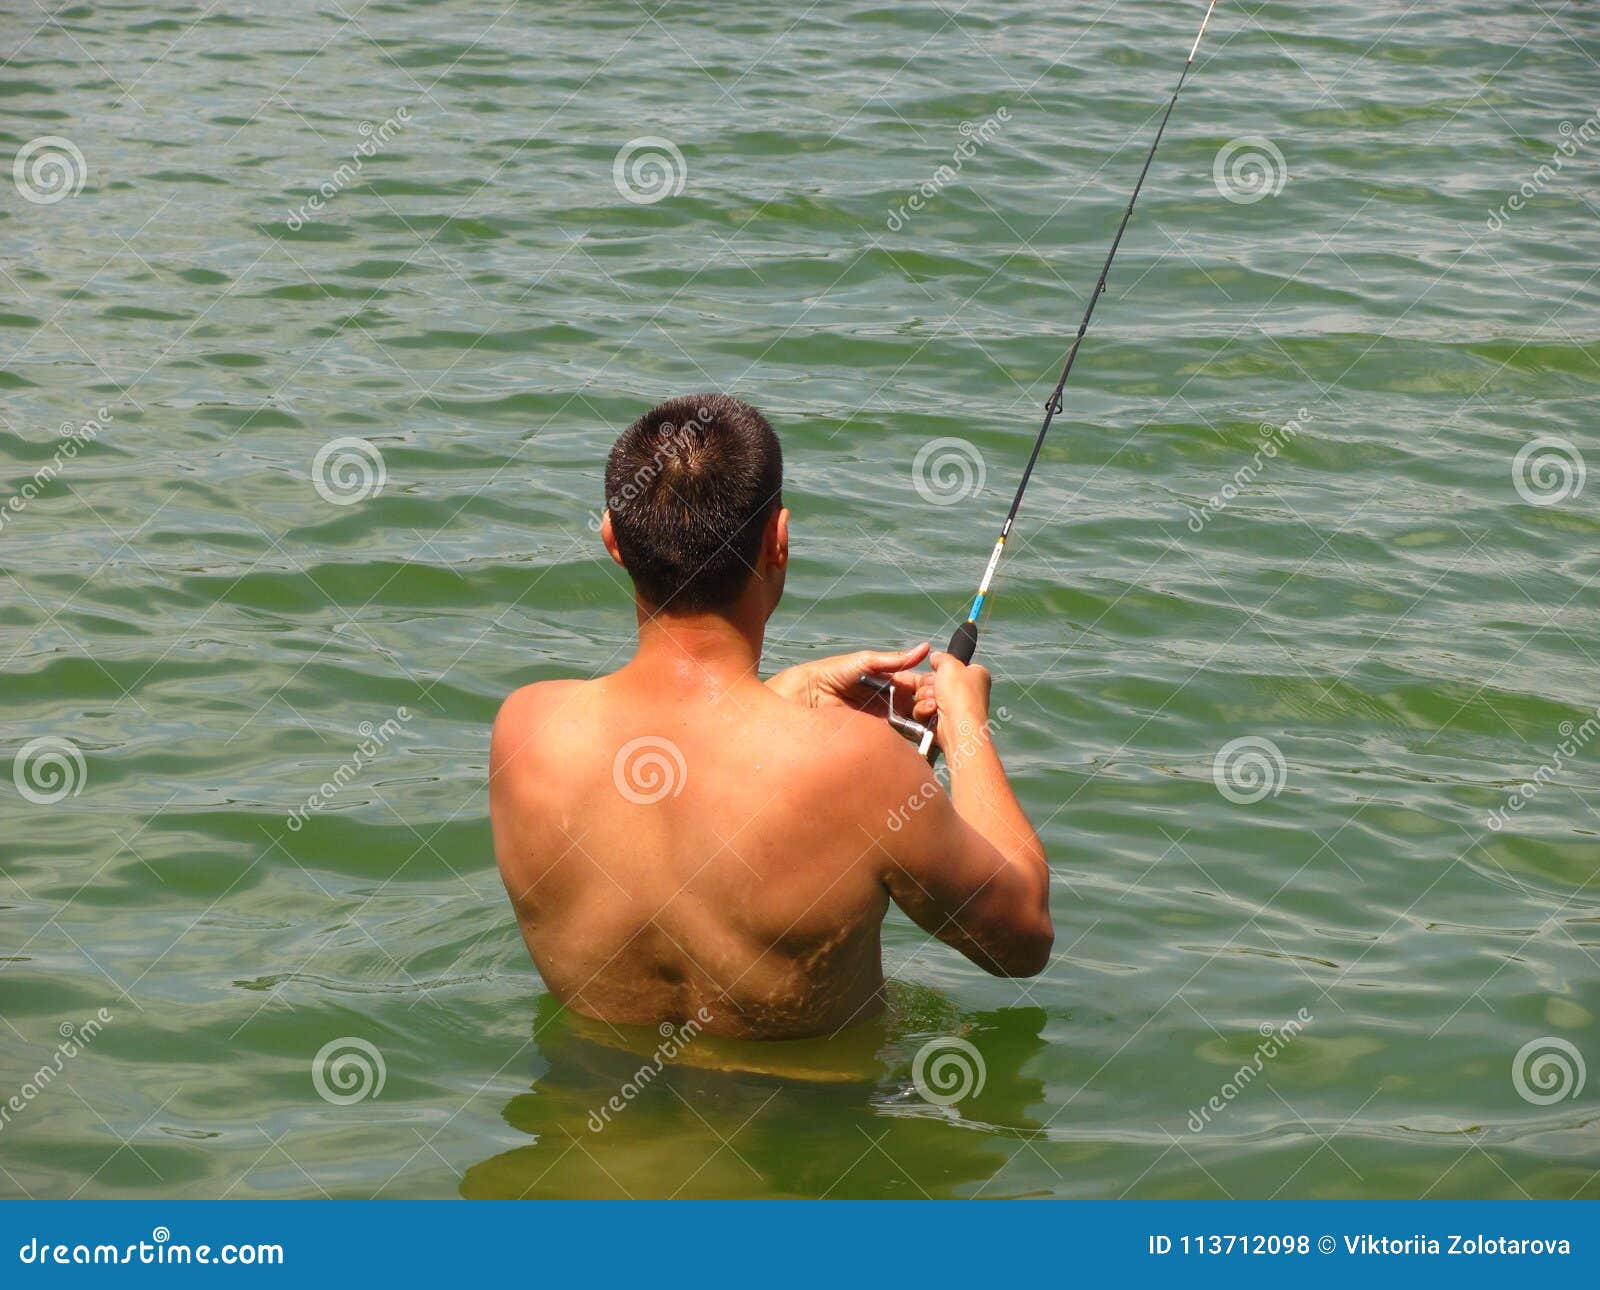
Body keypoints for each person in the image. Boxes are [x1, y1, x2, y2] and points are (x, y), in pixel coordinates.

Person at [489, 394, 1051, 1040]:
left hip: (590, 1101)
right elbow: (1024, 938)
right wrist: (965, 723)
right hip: (817, 1107)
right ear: (778, 542)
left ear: (613, 540)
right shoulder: (863, 766)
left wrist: (786, 697)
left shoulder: (525, 732)